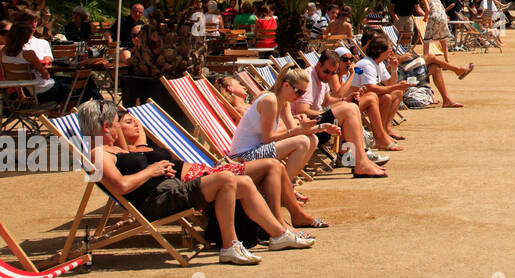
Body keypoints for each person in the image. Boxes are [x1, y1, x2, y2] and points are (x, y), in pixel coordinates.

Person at [77, 99, 314, 265]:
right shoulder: (99, 155)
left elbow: (135, 148)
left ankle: (277, 234)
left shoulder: (116, 149)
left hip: (170, 189)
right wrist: (151, 171)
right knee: (226, 178)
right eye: (117, 123)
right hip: (158, 199)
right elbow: (121, 187)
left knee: (242, 184)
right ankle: (230, 246)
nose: (122, 125)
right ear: (107, 126)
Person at [229, 68, 333, 181]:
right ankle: (286, 188)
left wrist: (320, 128)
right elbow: (268, 139)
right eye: (298, 91)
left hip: (257, 150)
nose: (300, 96)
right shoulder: (270, 101)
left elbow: (295, 130)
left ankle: (287, 186)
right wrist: (297, 130)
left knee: (313, 139)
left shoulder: (284, 103)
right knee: (302, 142)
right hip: (242, 156)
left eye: (303, 93)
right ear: (286, 85)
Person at [299, 53, 389, 177]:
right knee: (348, 110)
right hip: (307, 128)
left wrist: (344, 100)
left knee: (351, 105)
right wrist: (330, 113)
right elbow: (302, 110)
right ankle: (360, 162)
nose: (329, 76)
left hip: (318, 125)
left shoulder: (321, 78)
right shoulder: (308, 79)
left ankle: (361, 159)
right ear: (318, 65)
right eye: (326, 72)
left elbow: (326, 101)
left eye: (333, 73)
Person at [352, 35, 409, 151]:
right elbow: (372, 88)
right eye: (389, 48)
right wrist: (396, 86)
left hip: (366, 97)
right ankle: (380, 137)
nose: (391, 51)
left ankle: (384, 131)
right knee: (386, 96)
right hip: (355, 100)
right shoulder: (367, 65)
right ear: (381, 51)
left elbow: (389, 83)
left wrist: (394, 68)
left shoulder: (379, 64)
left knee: (396, 93)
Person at [2, 11, 69, 108]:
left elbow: (15, 78)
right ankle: (61, 115)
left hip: (24, 90)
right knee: (74, 89)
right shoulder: (29, 53)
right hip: (41, 91)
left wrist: (21, 94)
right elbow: (45, 75)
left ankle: (58, 114)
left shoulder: (3, 52)